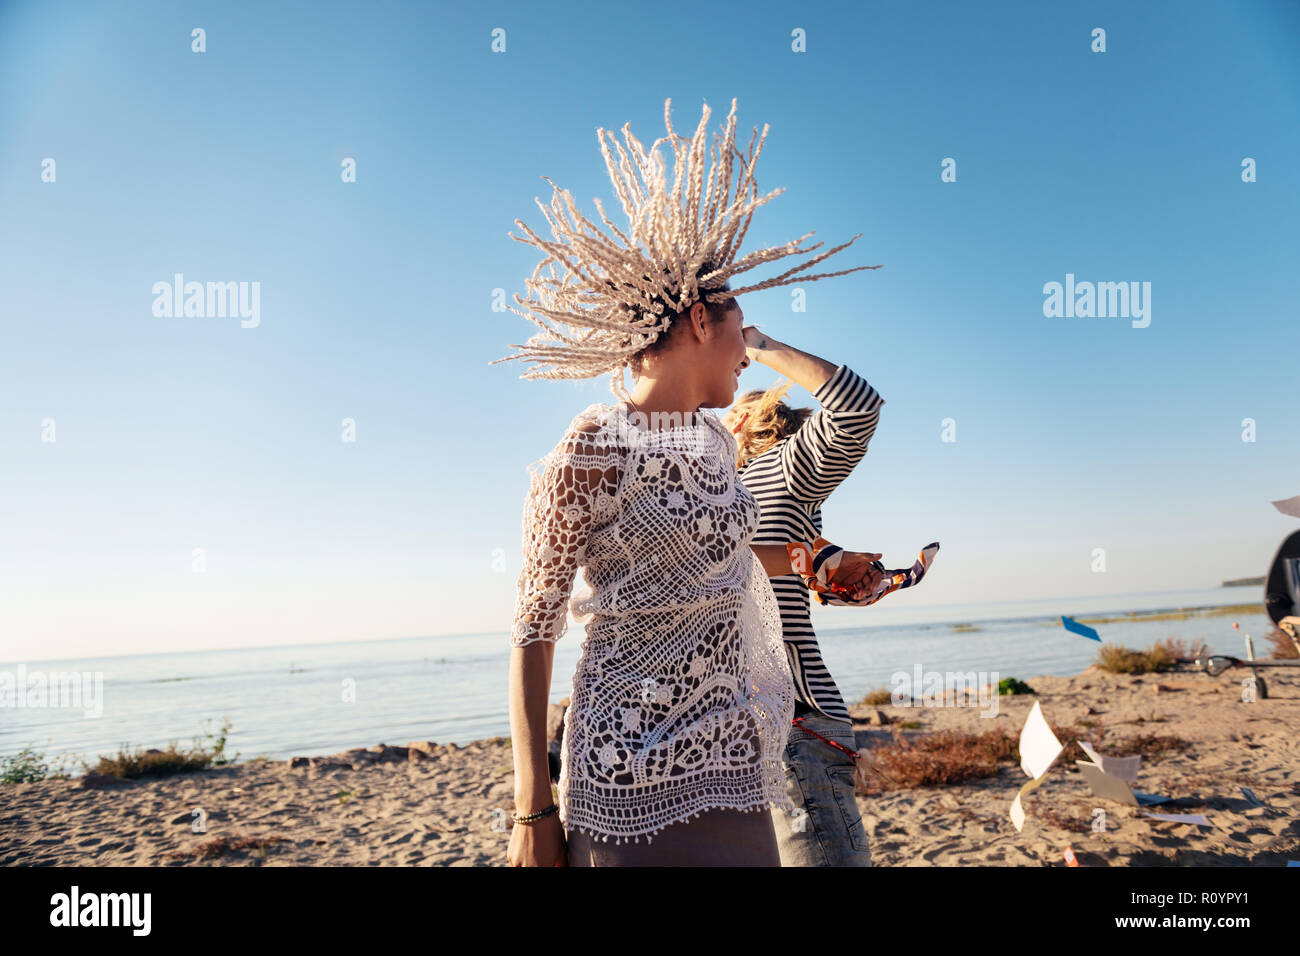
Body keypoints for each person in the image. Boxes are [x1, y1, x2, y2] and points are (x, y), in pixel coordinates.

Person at [489, 97, 884, 866]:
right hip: (628, 767)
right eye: (744, 327)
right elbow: (534, 631)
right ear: (702, 320)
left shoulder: (713, 440)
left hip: (737, 757)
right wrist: (531, 810)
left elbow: (720, 563)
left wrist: (816, 562)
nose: (749, 350)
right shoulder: (590, 452)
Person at [722, 328, 884, 866]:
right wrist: (825, 573)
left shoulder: (781, 468)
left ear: (744, 426)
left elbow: (857, 409)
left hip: (791, 726)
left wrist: (756, 344)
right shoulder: (729, 492)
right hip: (760, 735)